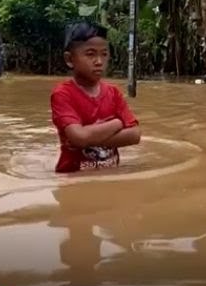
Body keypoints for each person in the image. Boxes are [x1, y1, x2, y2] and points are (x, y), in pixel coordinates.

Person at [50, 21, 141, 174]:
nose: (99, 62)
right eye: (90, 54)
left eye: (104, 54)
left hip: (110, 176)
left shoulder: (113, 93)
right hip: (73, 178)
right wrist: (117, 123)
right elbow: (78, 137)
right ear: (69, 59)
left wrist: (88, 138)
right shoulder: (62, 94)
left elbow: (135, 135)